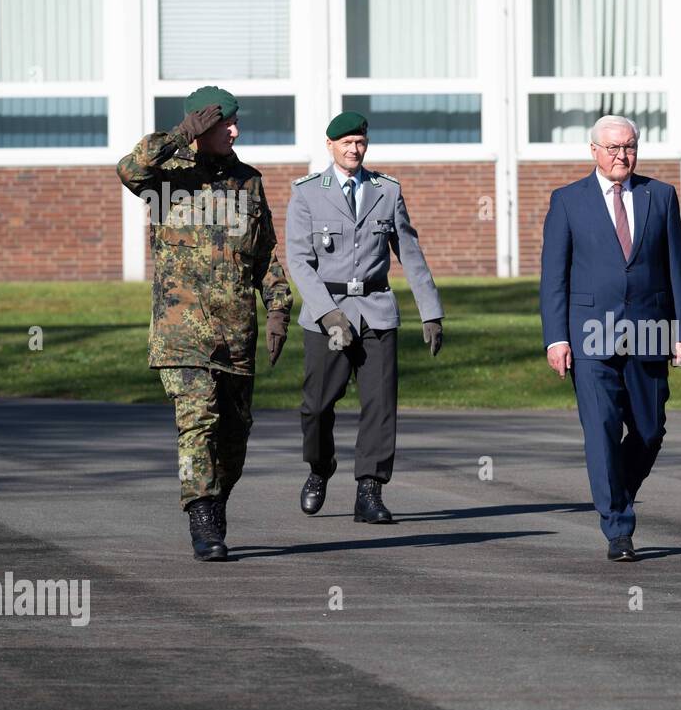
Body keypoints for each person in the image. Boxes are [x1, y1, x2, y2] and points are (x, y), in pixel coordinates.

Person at [117, 86, 291, 562]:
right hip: (181, 333)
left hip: (235, 333)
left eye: (236, 123)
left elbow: (265, 253)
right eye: (223, 124)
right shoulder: (166, 178)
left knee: (235, 433)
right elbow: (128, 169)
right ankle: (203, 515)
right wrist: (178, 135)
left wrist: (277, 307)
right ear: (201, 126)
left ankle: (215, 498)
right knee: (198, 421)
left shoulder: (248, 181)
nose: (234, 131)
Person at [539, 115, 681, 561]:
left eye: (629, 147)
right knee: (603, 431)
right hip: (589, 338)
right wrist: (556, 339)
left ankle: (614, 492)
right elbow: (554, 276)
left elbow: (676, 269)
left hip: (649, 331)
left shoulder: (660, 196)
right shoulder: (568, 201)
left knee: (649, 431)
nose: (621, 156)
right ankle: (618, 529)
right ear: (593, 151)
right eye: (612, 148)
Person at [284, 111, 444, 524]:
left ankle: (369, 490)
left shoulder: (385, 191)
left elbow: (409, 252)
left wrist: (431, 311)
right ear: (330, 146)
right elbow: (300, 263)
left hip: (375, 312)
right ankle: (320, 468)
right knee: (317, 407)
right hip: (328, 316)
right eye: (346, 143)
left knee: (380, 405)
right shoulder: (306, 194)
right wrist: (329, 314)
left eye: (360, 142)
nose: (354, 150)